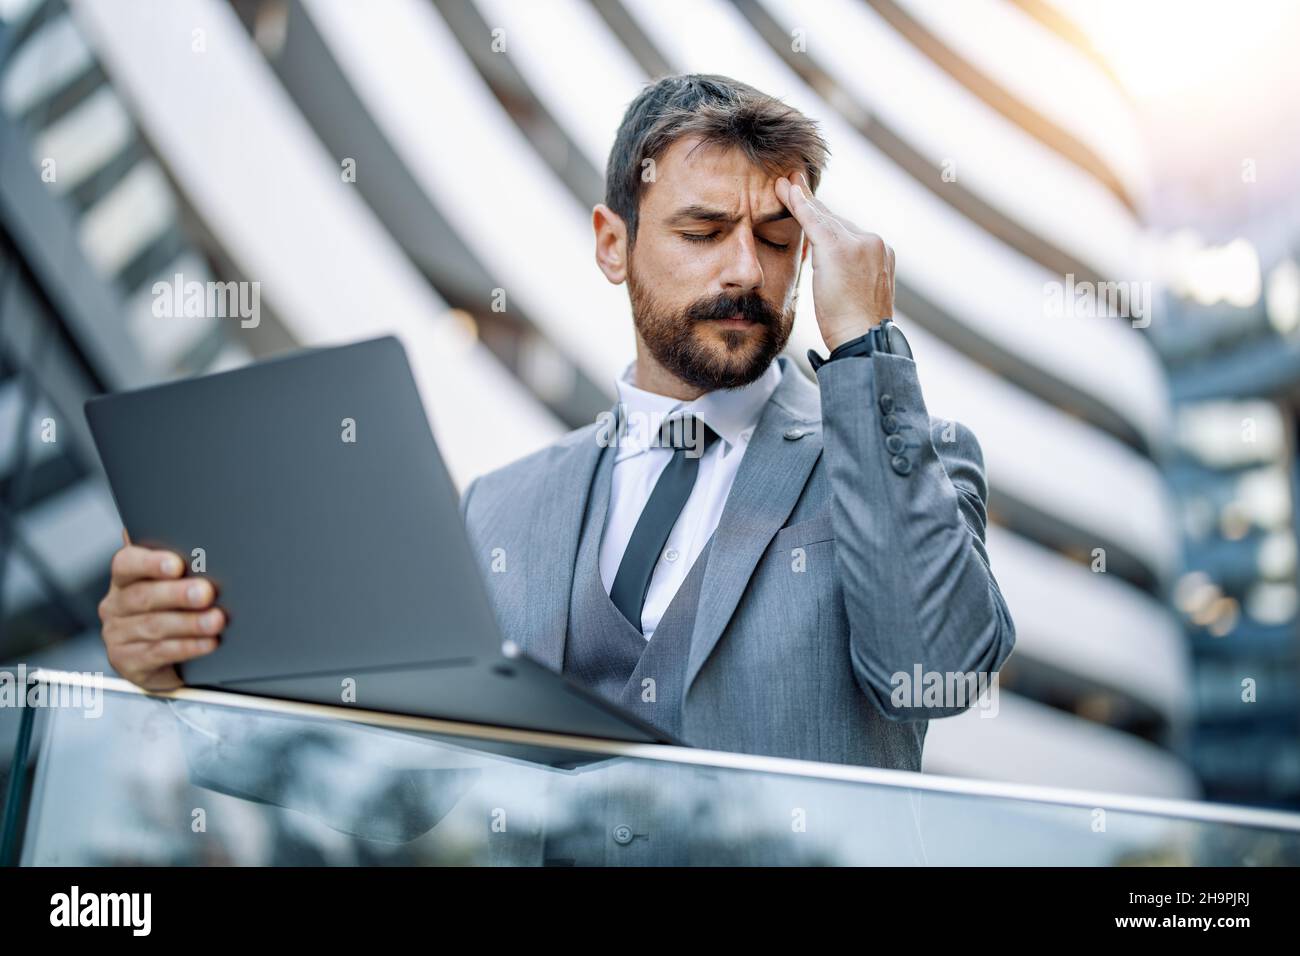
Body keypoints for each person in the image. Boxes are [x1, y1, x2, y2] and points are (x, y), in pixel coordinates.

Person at [97, 74, 1015, 770]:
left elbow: (933, 669)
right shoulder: (500, 510)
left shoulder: (908, 458)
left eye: (777, 241)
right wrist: (187, 683)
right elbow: (406, 786)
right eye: (702, 233)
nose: (745, 270)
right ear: (613, 244)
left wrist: (866, 353)